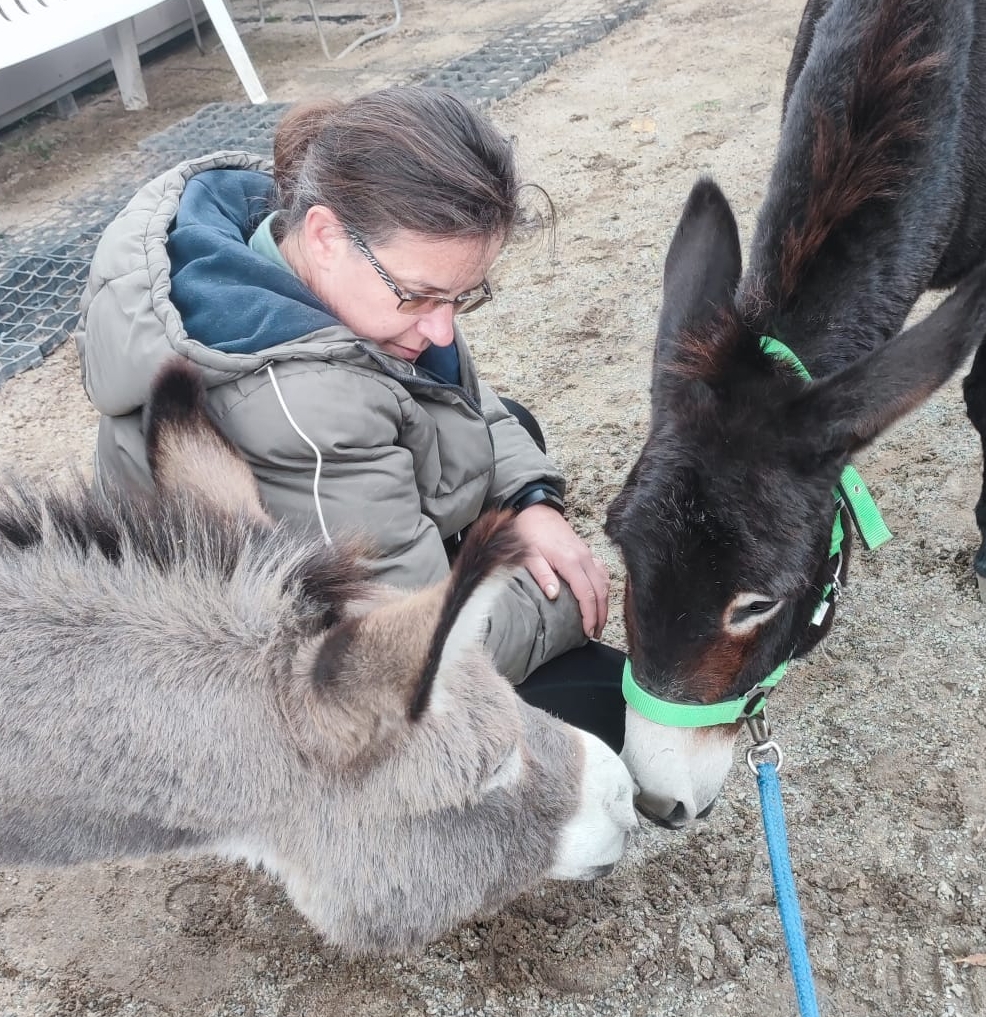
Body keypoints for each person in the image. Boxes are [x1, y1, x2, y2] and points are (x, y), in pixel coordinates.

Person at [76, 86, 626, 750]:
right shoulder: (303, 406)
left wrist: (530, 499)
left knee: (513, 424)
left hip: (338, 548)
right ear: (326, 235)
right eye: (421, 296)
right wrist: (569, 593)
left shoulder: (324, 263)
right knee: (604, 710)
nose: (444, 329)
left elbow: (466, 402)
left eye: (463, 297)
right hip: (276, 702)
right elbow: (413, 656)